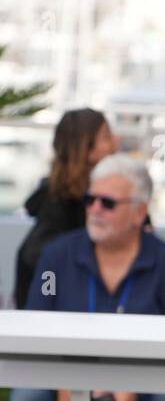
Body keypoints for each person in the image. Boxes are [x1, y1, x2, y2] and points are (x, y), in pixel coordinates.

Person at [12, 155, 165, 401]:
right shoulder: (56, 258)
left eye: (107, 203)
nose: (95, 209)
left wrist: (136, 384)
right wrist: (62, 381)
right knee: (28, 397)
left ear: (139, 213)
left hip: (142, 383)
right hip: (65, 375)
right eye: (90, 200)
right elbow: (36, 325)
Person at [13, 108, 118, 309]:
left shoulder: (79, 196)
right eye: (106, 136)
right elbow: (40, 261)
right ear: (85, 148)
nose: (115, 142)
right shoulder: (58, 204)